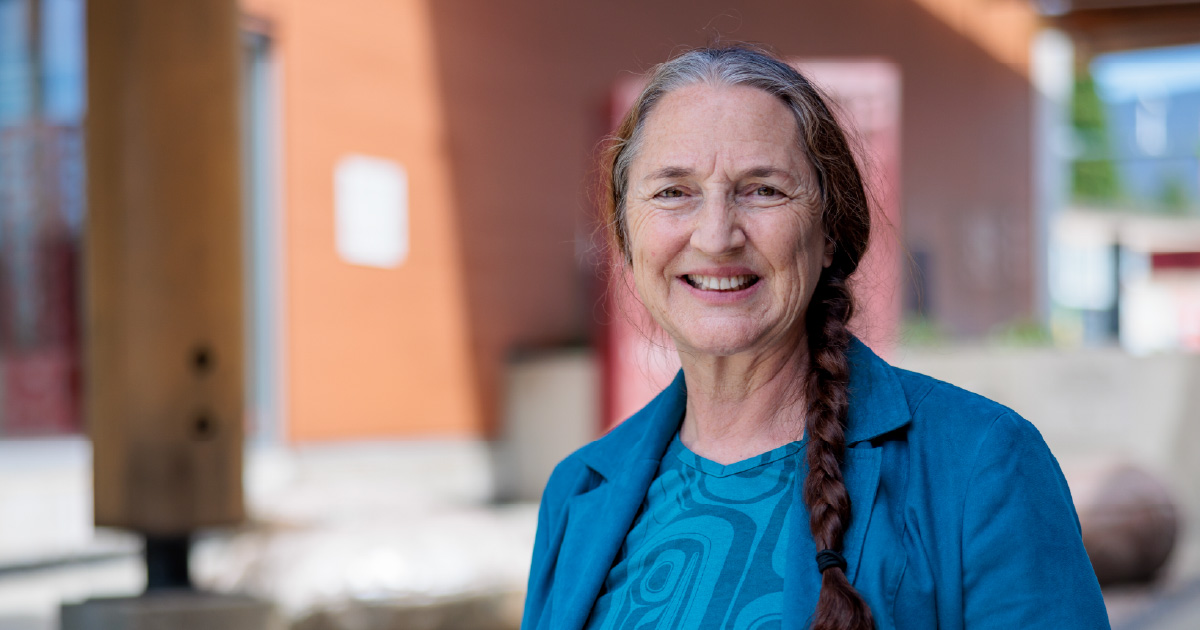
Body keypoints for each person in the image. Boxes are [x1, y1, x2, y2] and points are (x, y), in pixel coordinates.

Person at [522, 46, 1109, 630]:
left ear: (828, 232)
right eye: (673, 191)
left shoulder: (981, 464)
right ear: (627, 235)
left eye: (763, 190)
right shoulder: (578, 493)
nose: (717, 235)